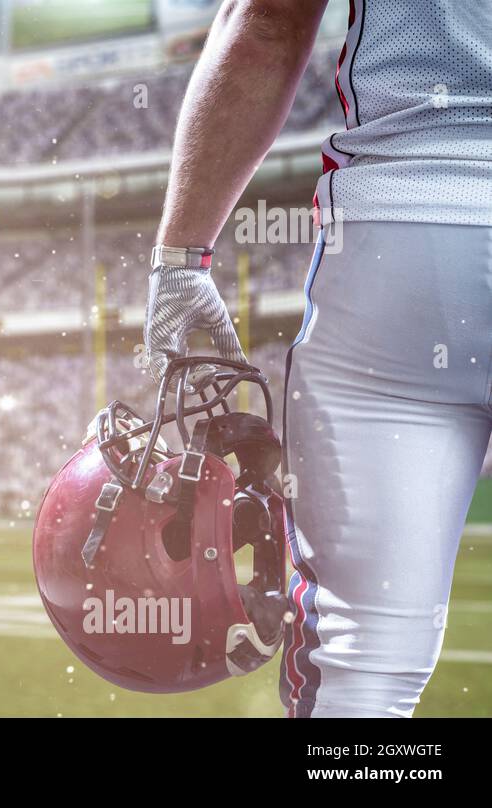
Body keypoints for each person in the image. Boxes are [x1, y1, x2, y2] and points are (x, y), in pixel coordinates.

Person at [143, 0, 492, 717]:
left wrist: (182, 257)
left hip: (402, 239)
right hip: (400, 236)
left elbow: (269, 18)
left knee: (363, 661)